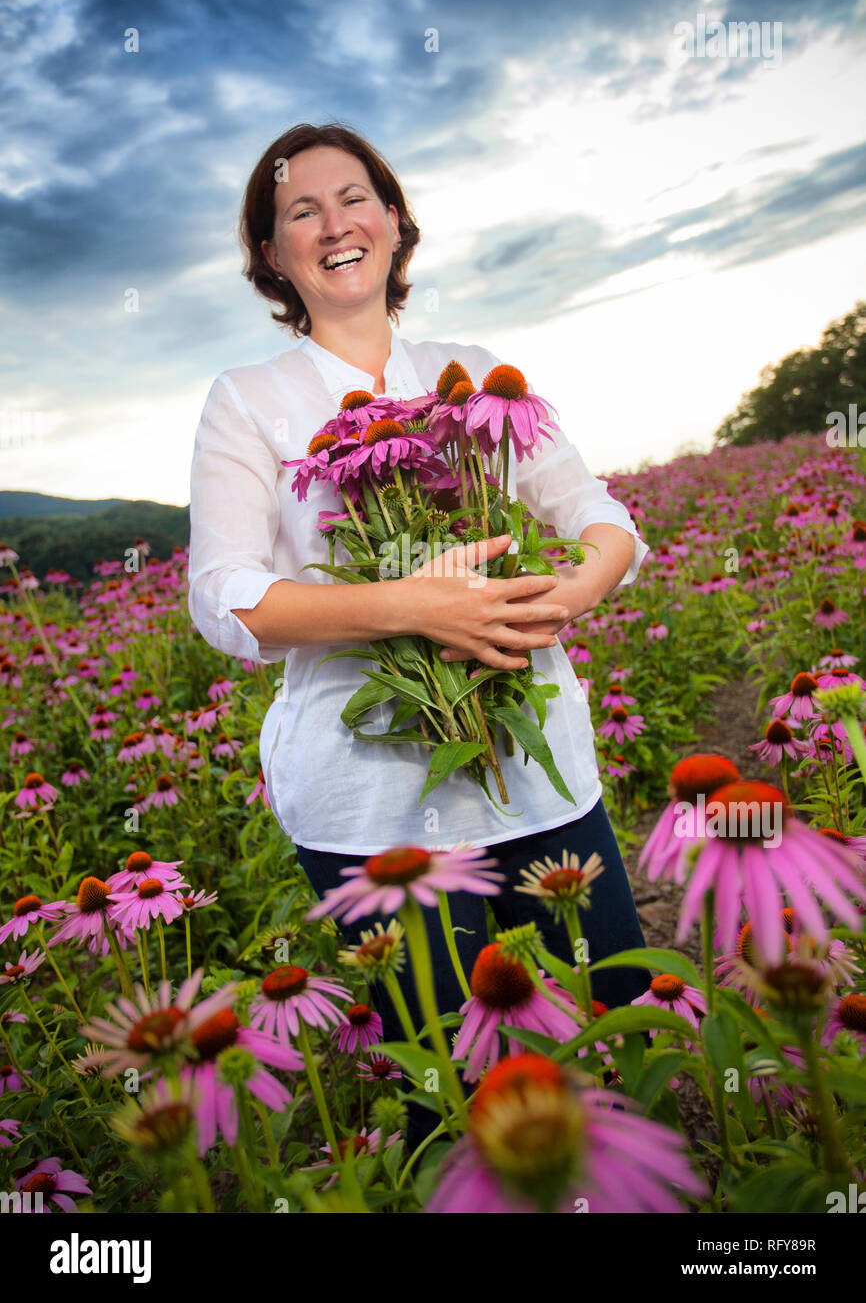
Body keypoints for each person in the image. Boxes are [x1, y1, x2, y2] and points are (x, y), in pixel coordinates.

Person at [187, 121, 652, 1153]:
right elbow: (225, 596)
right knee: (448, 1094)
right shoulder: (249, 401)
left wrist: (563, 597)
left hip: (535, 781)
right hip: (374, 810)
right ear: (270, 254)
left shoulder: (474, 375)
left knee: (612, 1036)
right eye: (296, 212)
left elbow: (601, 515)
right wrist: (407, 606)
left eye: (353, 197)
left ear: (394, 220)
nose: (332, 224)